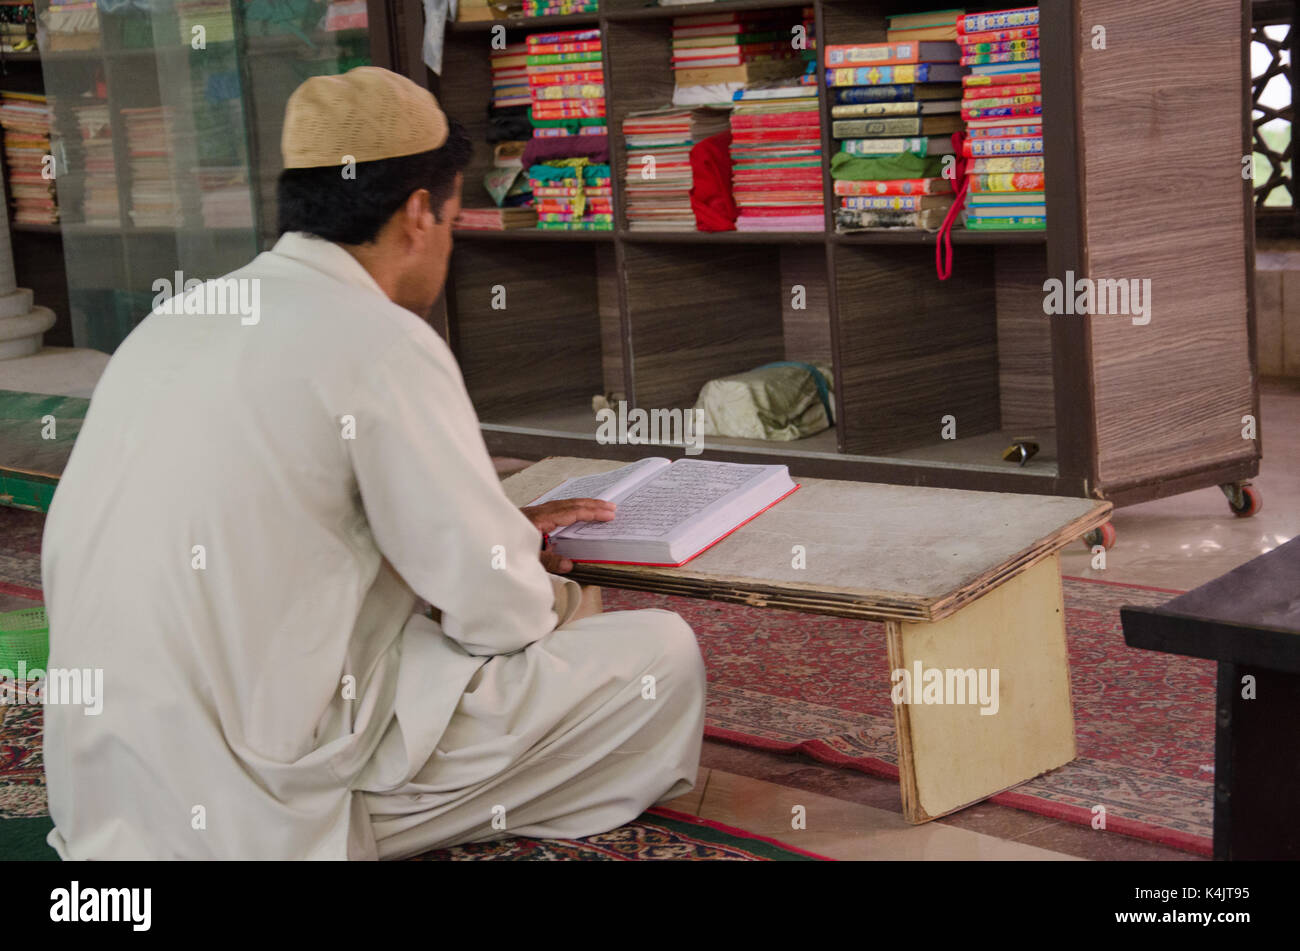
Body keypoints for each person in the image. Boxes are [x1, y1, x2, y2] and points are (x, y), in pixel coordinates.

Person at [40, 66, 706, 860]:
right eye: (455, 221)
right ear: (420, 213)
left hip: (102, 789)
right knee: (660, 659)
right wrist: (545, 586)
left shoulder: (175, 319)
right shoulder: (381, 340)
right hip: (250, 811)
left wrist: (489, 531)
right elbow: (501, 614)